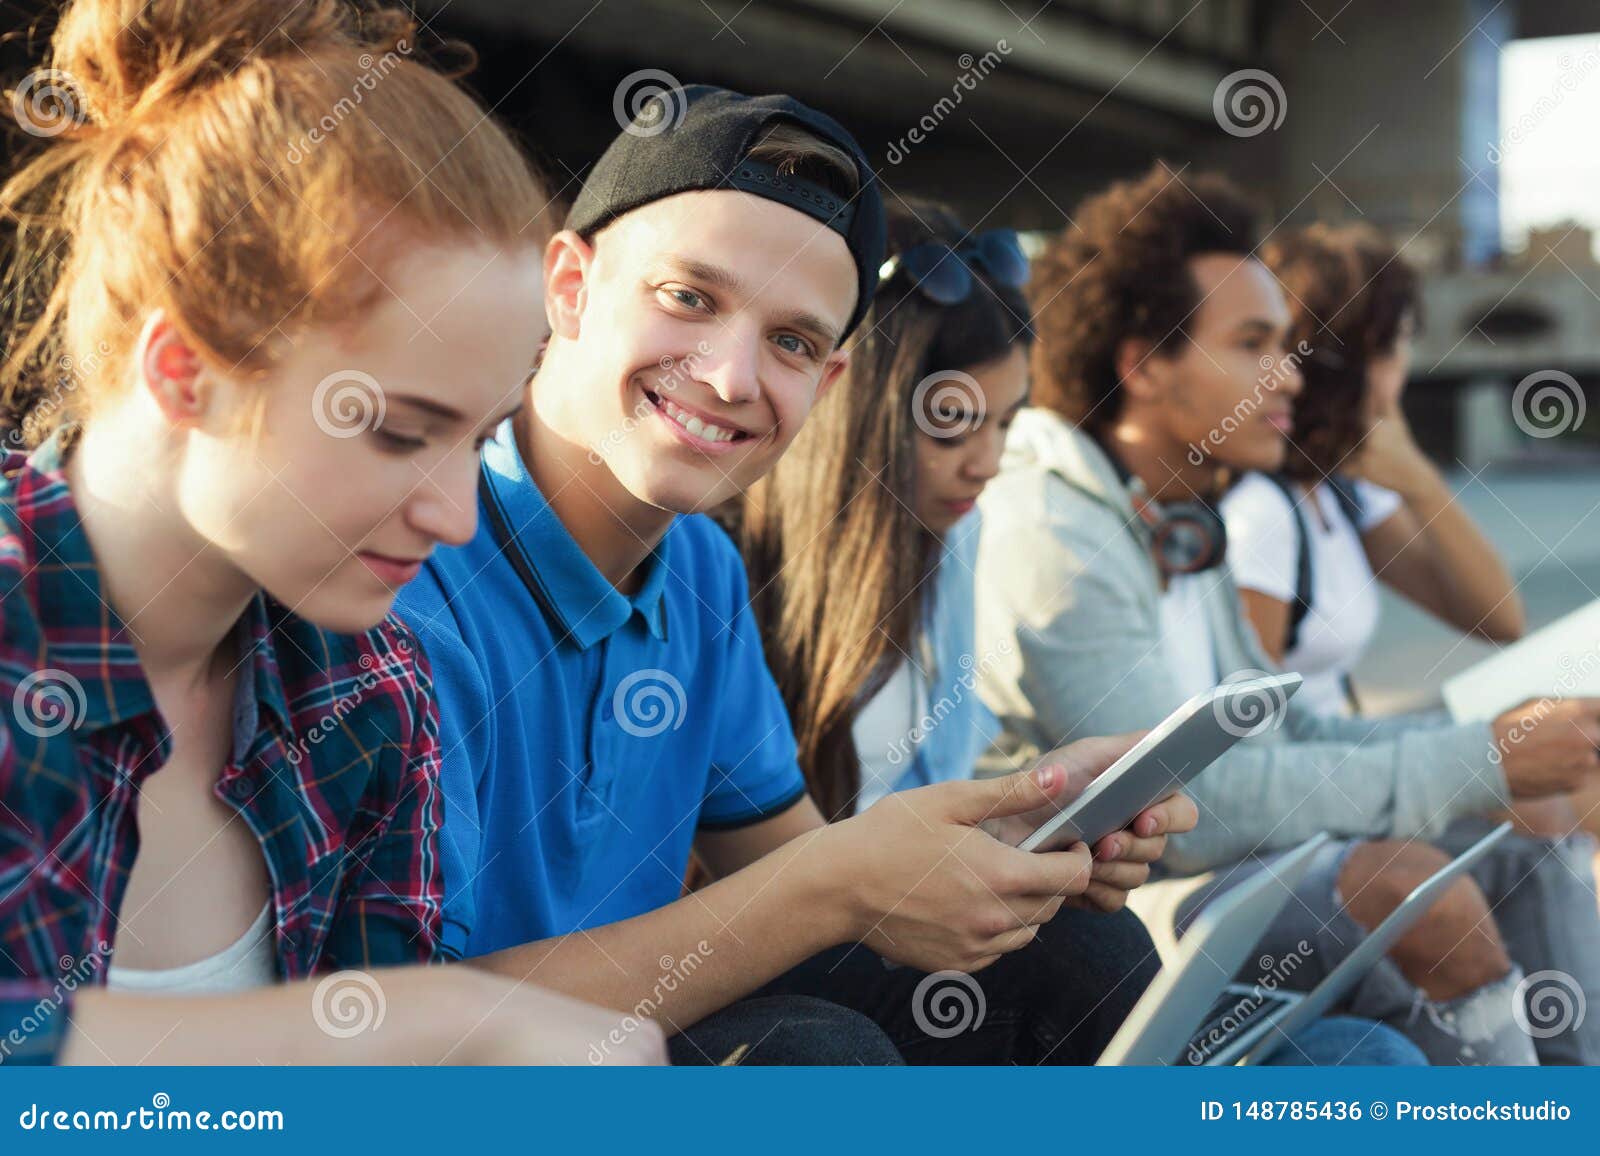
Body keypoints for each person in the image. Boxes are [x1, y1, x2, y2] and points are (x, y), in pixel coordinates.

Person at [393, 87, 1192, 1065]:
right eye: (688, 297)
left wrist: (1016, 825)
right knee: (809, 1058)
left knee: (1076, 950)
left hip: (619, 1043)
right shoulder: (402, 552)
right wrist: (837, 881)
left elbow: (788, 866)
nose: (732, 376)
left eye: (791, 342)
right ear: (568, 286)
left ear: (831, 383)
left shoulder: (699, 567)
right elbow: (401, 1022)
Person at [0, 0, 659, 1065]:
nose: (456, 515)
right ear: (187, 372)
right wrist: (437, 1021)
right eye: (400, 432)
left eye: (483, 437)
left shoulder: (369, 688)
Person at [731, 197, 1424, 1066]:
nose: (986, 460)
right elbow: (793, 880)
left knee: (1363, 1054)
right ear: (854, 409)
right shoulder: (739, 572)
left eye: (1007, 424)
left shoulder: (963, 542)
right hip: (826, 970)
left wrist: (1038, 824)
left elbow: (910, 826)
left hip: (915, 932)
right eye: (954, 422)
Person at [971, 162, 1600, 1065]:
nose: (1289, 378)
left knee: (1522, 840)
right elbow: (1194, 805)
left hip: (1229, 872)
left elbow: (1284, 725)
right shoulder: (1052, 528)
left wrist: (1501, 747)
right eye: (1255, 343)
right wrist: (1480, 755)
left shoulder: (1180, 509)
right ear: (1144, 363)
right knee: (1421, 895)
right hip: (1112, 916)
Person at [1221, 222, 1524, 717]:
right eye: (1394, 344)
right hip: (1319, 778)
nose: (1403, 364)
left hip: (1346, 759)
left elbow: (1498, 619)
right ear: (1345, 362)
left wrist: (1420, 483)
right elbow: (1252, 744)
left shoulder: (1337, 489)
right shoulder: (1263, 514)